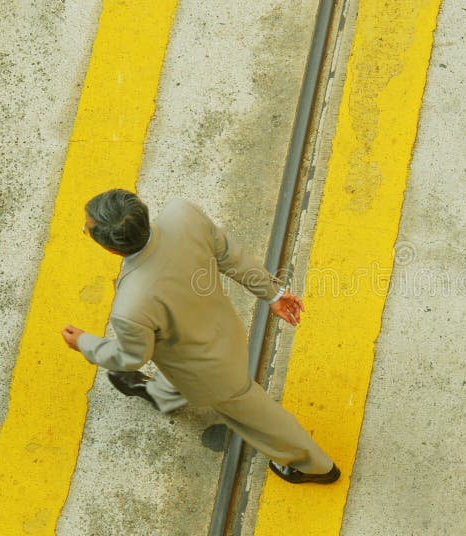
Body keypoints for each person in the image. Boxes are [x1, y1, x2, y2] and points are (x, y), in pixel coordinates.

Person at [60, 189, 339, 484]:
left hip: (211, 373)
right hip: (225, 333)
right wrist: (272, 293)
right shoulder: (183, 215)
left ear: (112, 249)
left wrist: (86, 343)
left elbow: (131, 356)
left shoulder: (130, 306)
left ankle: (315, 466)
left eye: (87, 230)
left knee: (258, 417)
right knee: (178, 374)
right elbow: (230, 256)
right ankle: (159, 393)